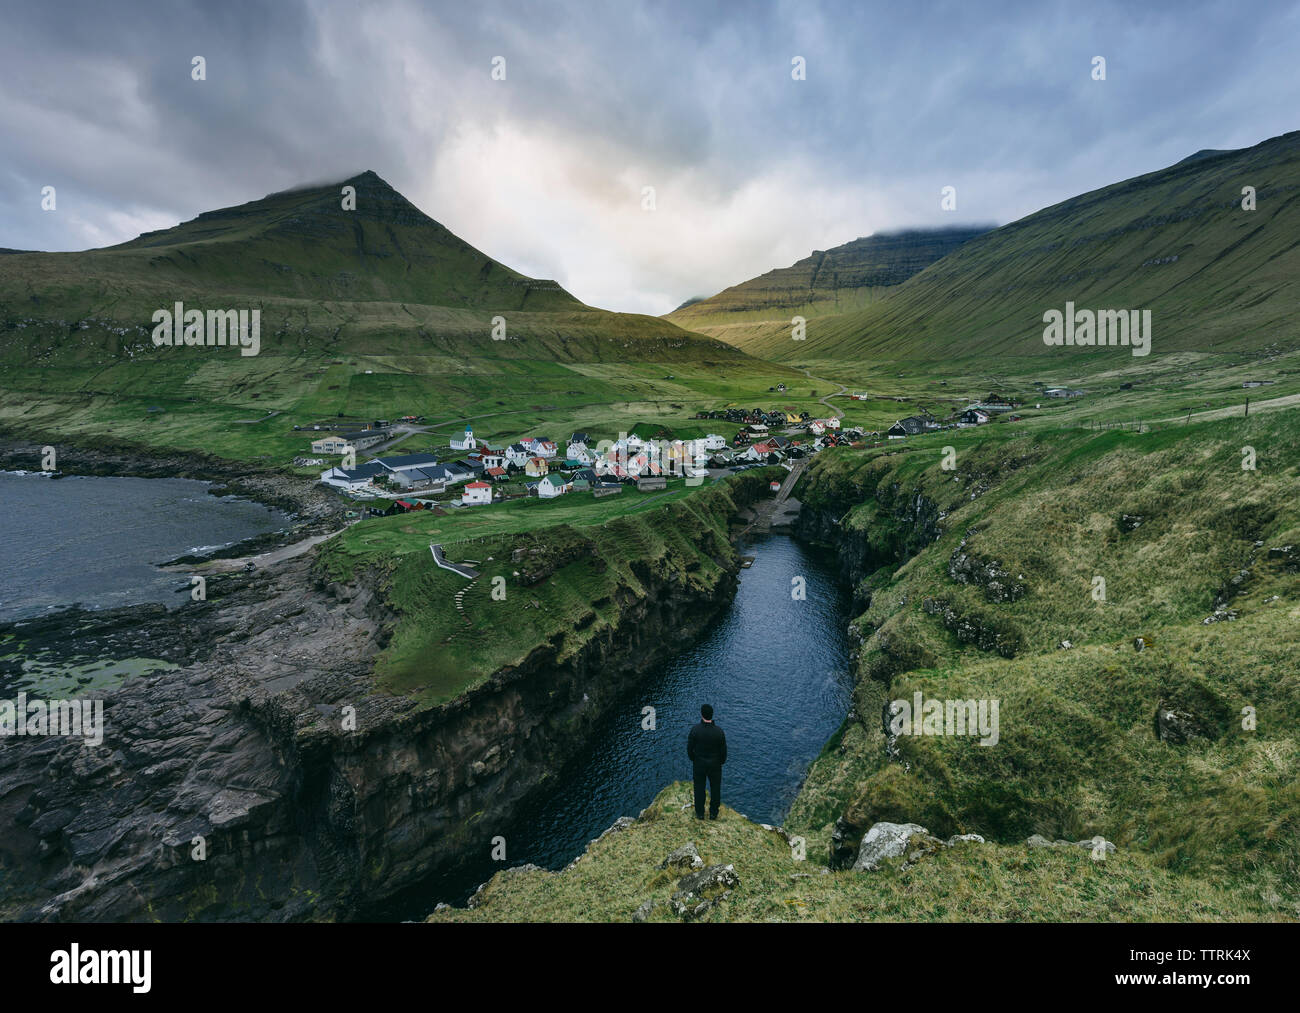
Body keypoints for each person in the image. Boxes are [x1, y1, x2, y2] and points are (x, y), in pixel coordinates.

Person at [687, 704, 727, 820]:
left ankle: (700, 813)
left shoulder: (695, 730)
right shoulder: (719, 732)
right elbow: (724, 752)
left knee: (699, 788)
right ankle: (713, 813)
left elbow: (689, 749)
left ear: (701, 714)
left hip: (699, 764)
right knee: (715, 789)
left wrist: (694, 759)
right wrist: (721, 762)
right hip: (715, 765)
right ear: (712, 715)